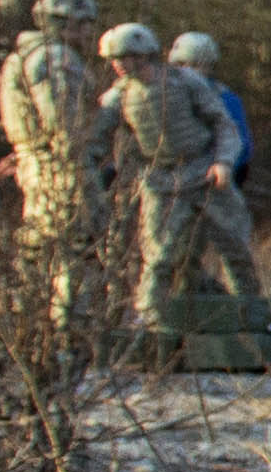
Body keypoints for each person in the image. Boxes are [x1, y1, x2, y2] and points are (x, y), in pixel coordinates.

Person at [100, 24, 257, 324]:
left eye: (125, 57)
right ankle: (153, 324)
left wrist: (224, 163)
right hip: (161, 180)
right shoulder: (120, 95)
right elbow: (99, 136)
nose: (118, 64)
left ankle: (250, 319)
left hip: (206, 173)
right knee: (160, 259)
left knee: (236, 250)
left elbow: (227, 127)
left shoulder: (189, 86)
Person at [0, 0, 112, 335]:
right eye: (84, 23)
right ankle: (69, 329)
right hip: (60, 164)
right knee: (76, 245)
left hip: (36, 159)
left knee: (39, 244)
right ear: (65, 23)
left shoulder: (22, 55)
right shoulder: (55, 58)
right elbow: (63, 120)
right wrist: (82, 163)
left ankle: (27, 323)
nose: (90, 32)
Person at [167, 32, 262, 293]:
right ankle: (194, 307)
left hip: (217, 187)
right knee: (180, 257)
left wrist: (223, 169)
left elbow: (240, 145)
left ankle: (249, 311)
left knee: (235, 252)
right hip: (180, 187)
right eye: (180, 66)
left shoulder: (224, 98)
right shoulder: (168, 98)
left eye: (192, 65)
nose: (185, 72)